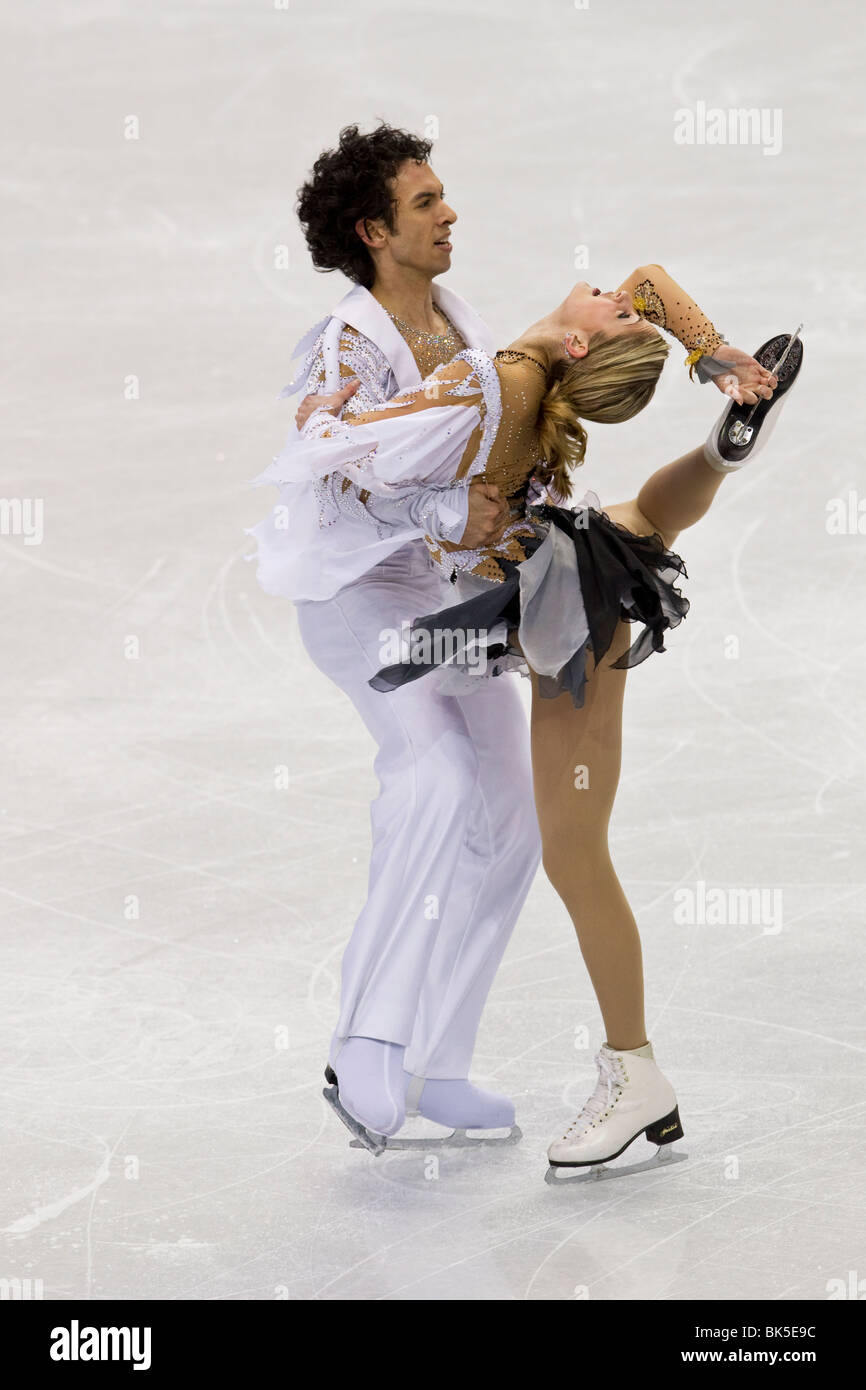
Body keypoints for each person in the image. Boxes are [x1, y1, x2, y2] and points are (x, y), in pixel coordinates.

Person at [277, 262, 802, 1168]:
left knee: (572, 851)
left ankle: (632, 1071)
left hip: (562, 611)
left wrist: (437, 502)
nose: (606, 288)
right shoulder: (538, 363)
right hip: (578, 555)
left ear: (576, 345)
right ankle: (720, 454)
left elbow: (378, 459)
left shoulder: (514, 378)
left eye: (604, 310)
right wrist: (713, 353)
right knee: (640, 521)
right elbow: (648, 280)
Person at [246, 124, 542, 1150]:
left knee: (514, 804)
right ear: (375, 231)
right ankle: (364, 1045)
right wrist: (438, 519)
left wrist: (519, 514)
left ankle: (436, 1061)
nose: (448, 211)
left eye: (442, 194)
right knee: (434, 776)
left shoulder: (461, 326)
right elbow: (333, 474)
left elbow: (485, 445)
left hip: (435, 589)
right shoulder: (344, 347)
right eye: (425, 203)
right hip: (354, 594)